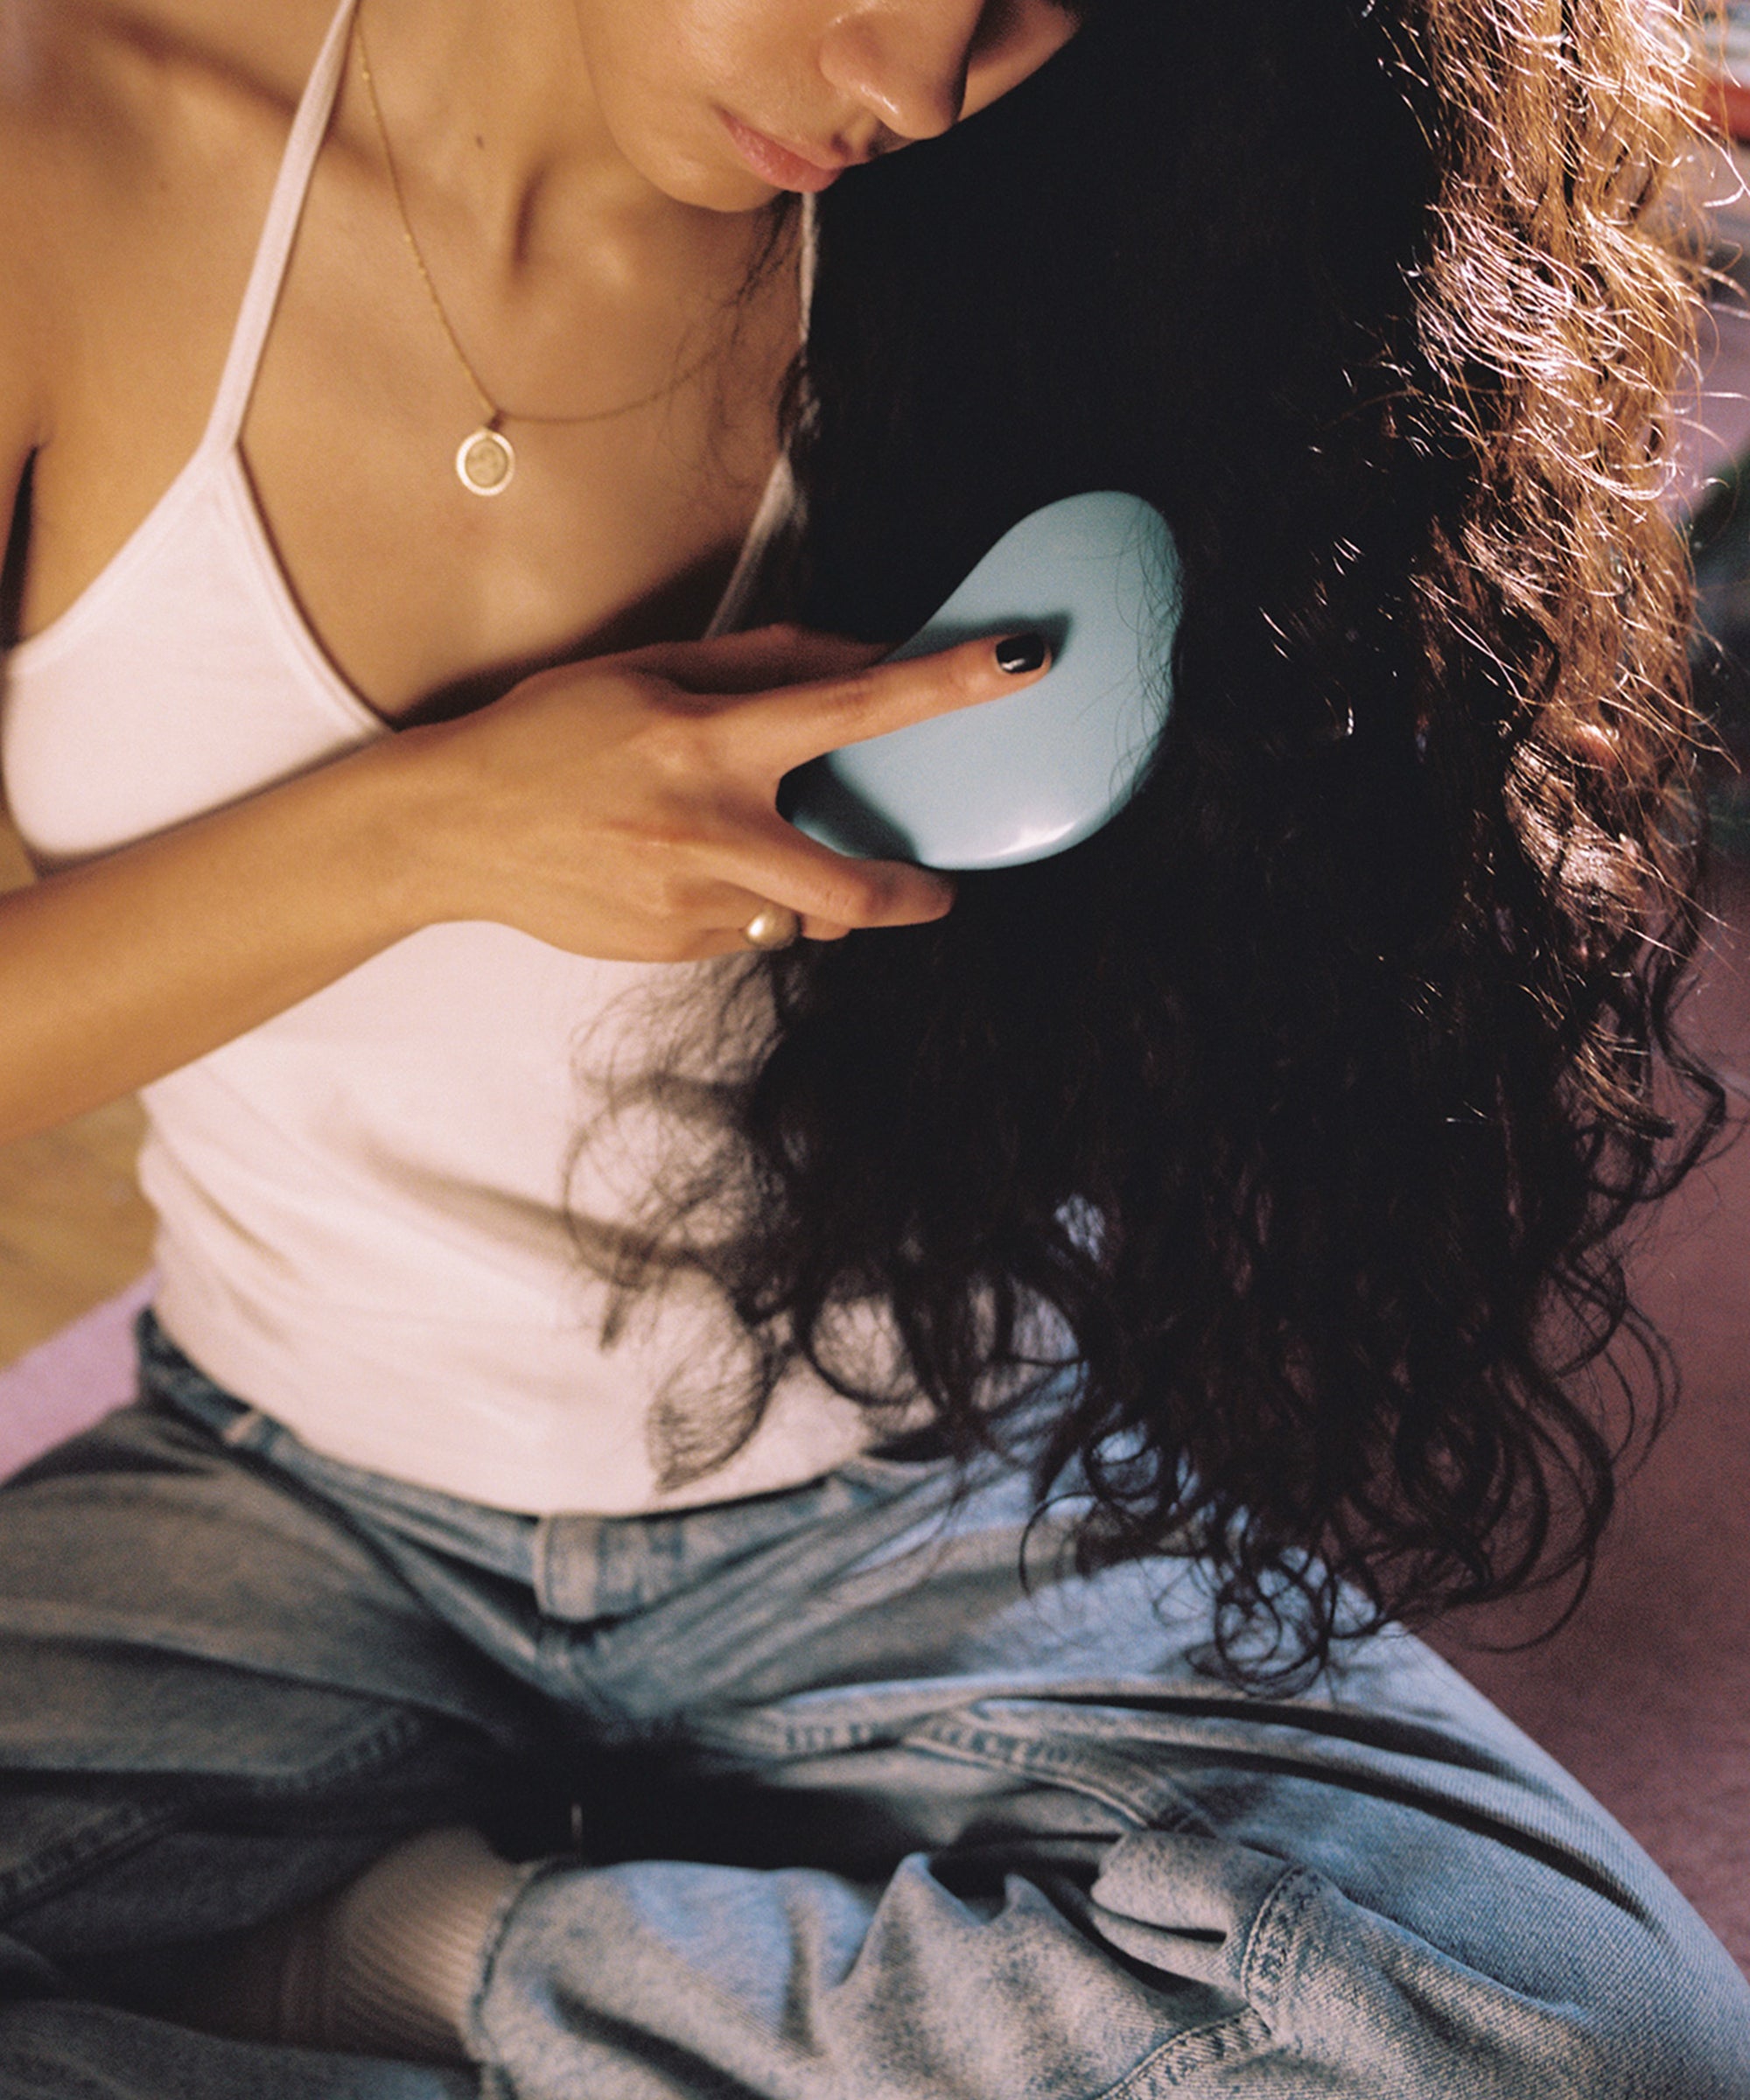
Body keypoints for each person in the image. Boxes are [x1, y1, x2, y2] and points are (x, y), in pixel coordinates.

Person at [0, 0, 1746, 2092]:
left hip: (912, 1486)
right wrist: (434, 831)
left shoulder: (1065, 218)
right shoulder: (57, 148)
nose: (915, 85)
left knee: (1594, 2048)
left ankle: (433, 1962)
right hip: (283, 1484)